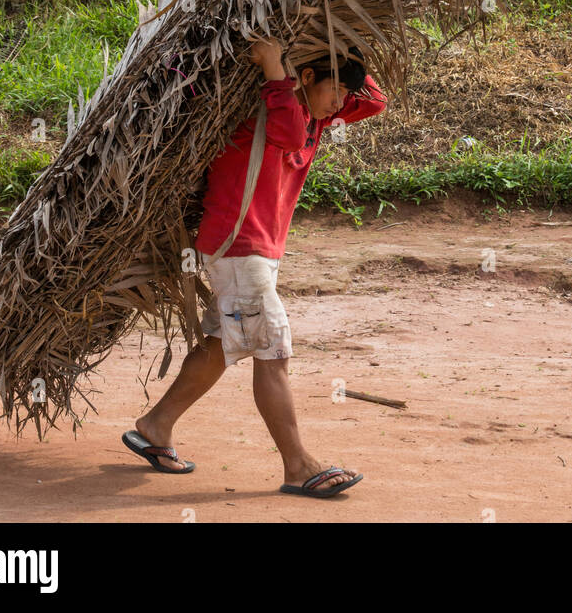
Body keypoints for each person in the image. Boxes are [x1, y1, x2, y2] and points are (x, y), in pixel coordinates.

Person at [122, 36, 387, 498]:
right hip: (239, 247)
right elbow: (284, 130)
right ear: (304, 80)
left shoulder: (313, 116)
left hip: (254, 252)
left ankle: (155, 426)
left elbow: (375, 102)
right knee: (274, 352)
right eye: (334, 91)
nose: (341, 103)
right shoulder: (265, 110)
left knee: (221, 346)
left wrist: (343, 55)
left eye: (343, 95)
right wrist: (274, 67)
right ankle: (299, 466)